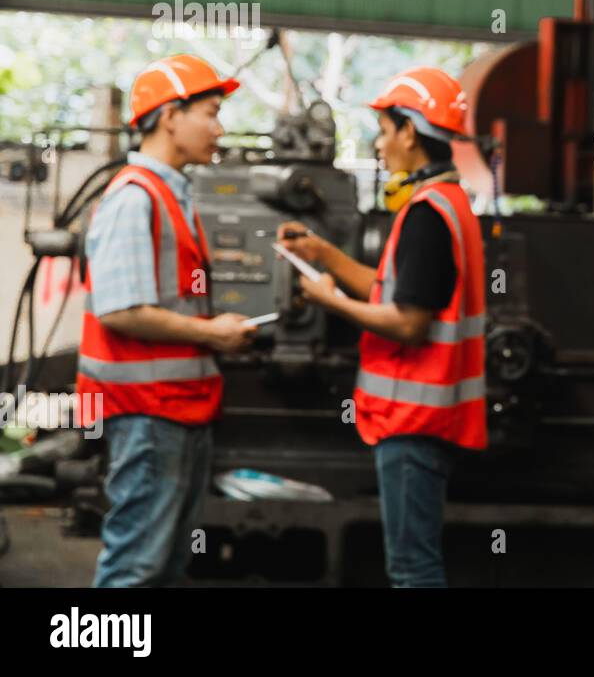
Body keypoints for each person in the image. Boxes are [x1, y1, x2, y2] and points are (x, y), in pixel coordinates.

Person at [277, 66, 486, 587]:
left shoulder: (425, 214)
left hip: (413, 422)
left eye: (385, 130)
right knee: (414, 562)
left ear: (410, 133)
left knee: (412, 569)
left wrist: (330, 300)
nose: (379, 142)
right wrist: (324, 254)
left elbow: (407, 322)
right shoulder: (448, 203)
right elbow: (398, 288)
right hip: (428, 420)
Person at [79, 53, 255, 587]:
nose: (219, 128)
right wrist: (212, 333)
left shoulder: (174, 196)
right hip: (147, 414)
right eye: (210, 112)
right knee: (136, 568)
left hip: (177, 411)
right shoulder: (137, 199)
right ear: (169, 116)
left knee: (165, 568)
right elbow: (121, 309)